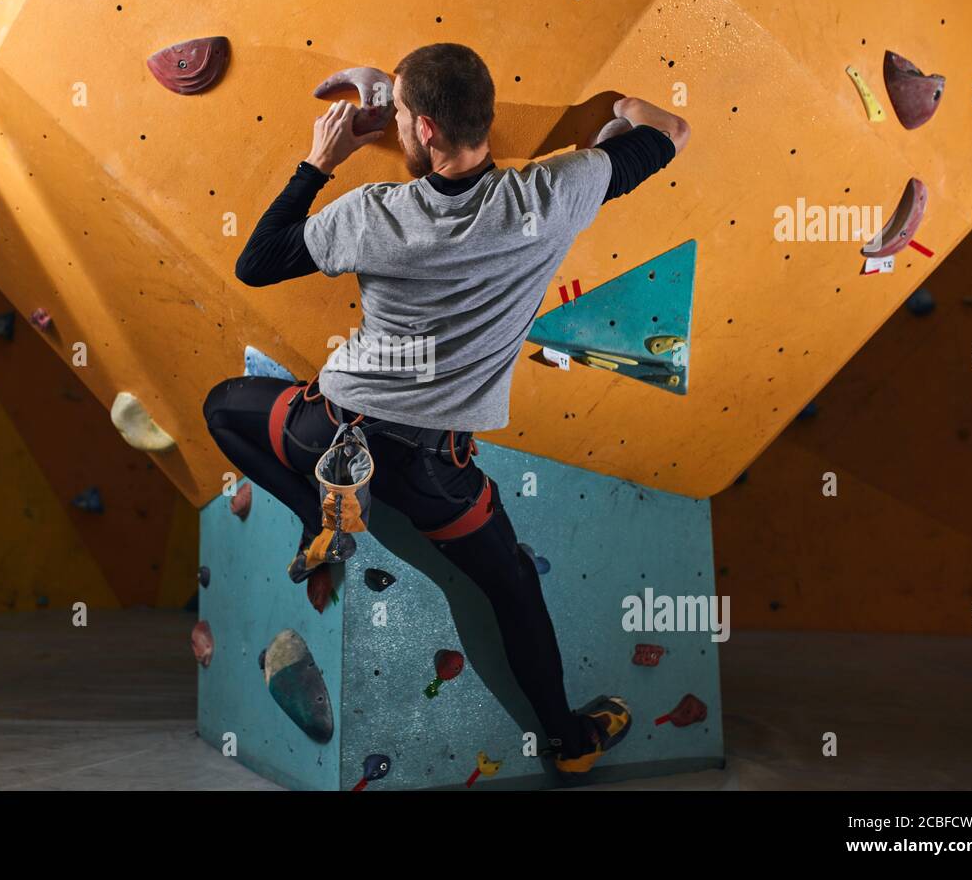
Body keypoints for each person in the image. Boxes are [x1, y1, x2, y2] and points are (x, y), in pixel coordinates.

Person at [204, 43, 689, 773]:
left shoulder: (372, 212)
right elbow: (670, 130)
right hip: (435, 471)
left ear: (425, 129)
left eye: (400, 114)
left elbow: (257, 262)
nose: (396, 123)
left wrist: (321, 160)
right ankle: (569, 743)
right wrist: (614, 109)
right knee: (511, 586)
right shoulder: (551, 197)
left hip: (329, 429)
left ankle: (320, 516)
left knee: (224, 408)